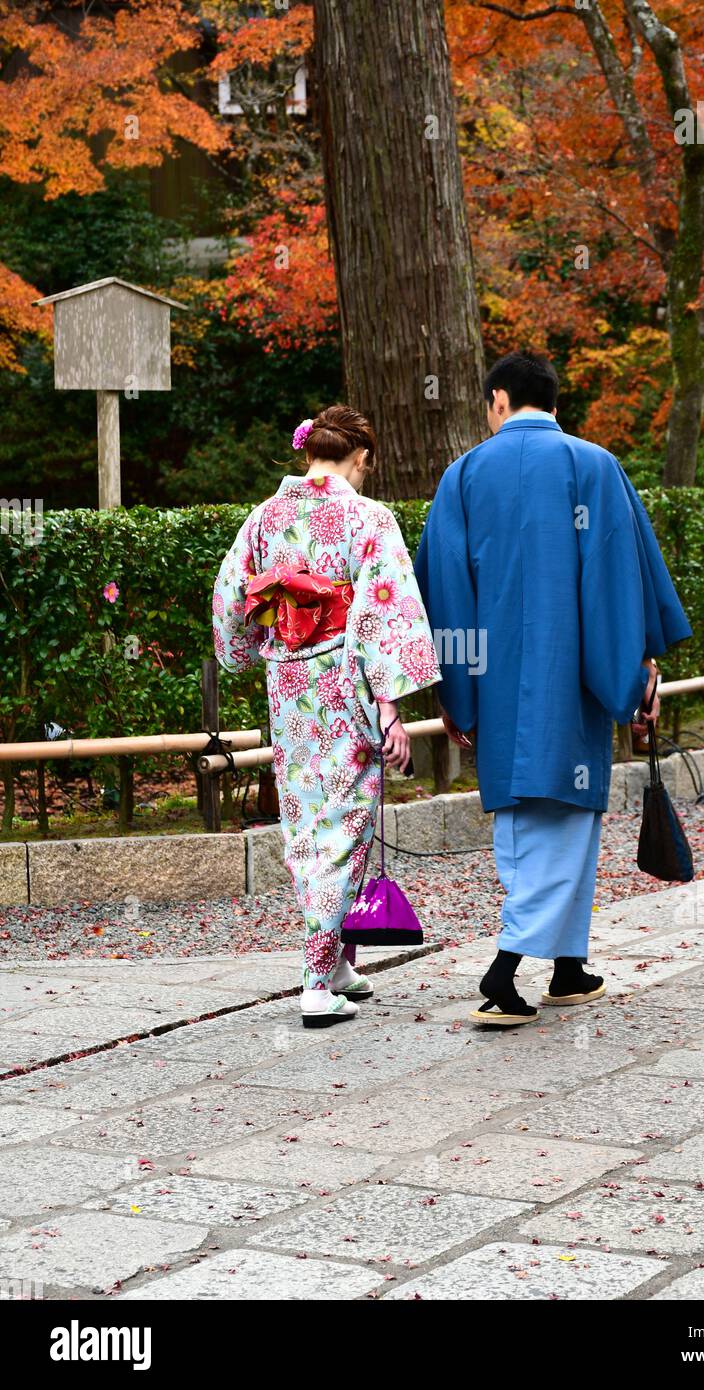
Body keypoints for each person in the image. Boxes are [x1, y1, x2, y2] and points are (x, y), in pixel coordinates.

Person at [415, 352, 691, 1026]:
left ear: (498, 400)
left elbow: (447, 592)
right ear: (552, 400)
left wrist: (457, 695)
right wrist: (632, 676)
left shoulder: (464, 475)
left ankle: (568, 968)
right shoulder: (595, 466)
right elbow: (617, 585)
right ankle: (504, 972)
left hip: (498, 681)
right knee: (567, 813)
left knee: (534, 821)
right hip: (576, 677)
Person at [212, 406, 440, 1028]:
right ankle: (316, 982)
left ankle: (339, 963)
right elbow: (381, 611)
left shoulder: (264, 516)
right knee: (342, 825)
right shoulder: (369, 518)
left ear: (306, 452)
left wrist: (249, 650)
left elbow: (233, 596)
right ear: (361, 457)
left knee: (310, 819)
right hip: (343, 684)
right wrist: (389, 704)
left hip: (289, 686)